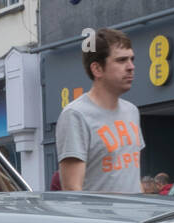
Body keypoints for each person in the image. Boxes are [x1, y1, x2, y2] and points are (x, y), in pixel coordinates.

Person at [56, 27, 144, 193]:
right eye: (121, 60)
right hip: (102, 219)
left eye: (132, 59)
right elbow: (72, 189)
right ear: (97, 69)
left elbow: (133, 177)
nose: (131, 66)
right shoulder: (75, 115)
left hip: (136, 217)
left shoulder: (132, 112)